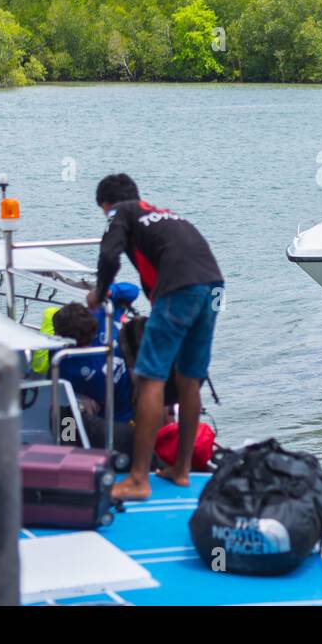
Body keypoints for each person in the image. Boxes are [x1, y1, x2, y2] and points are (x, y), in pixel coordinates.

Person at [89, 173, 224, 497]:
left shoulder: (120, 211)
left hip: (179, 290)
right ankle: (181, 470)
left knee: (151, 379)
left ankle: (138, 479)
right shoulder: (166, 214)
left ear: (106, 204)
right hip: (213, 287)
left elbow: (110, 257)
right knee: (189, 380)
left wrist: (99, 291)